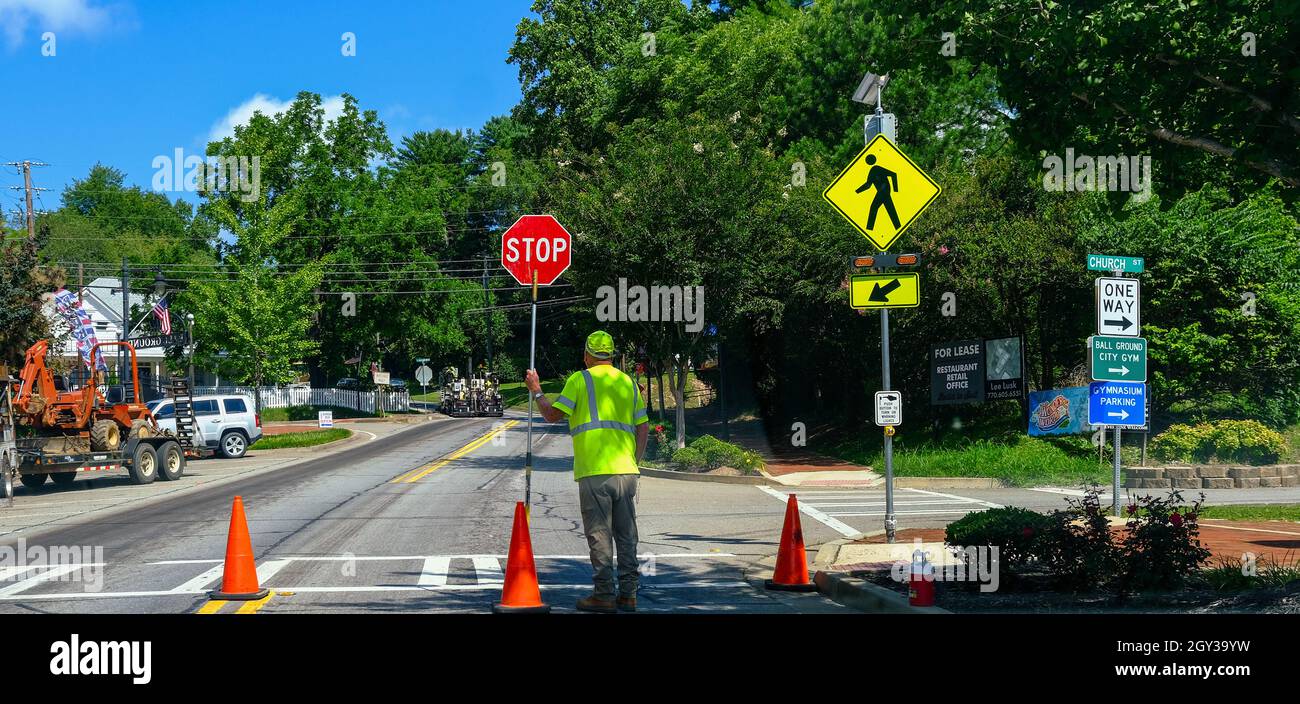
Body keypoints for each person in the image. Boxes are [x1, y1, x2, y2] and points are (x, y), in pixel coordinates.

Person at [524, 330, 650, 613]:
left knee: (600, 535)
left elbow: (552, 415)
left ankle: (604, 595)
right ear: (612, 356)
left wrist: (536, 390)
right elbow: (642, 426)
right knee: (626, 534)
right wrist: (635, 461)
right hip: (627, 471)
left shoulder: (579, 380)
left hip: (595, 471)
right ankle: (628, 594)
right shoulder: (628, 383)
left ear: (587, 355)